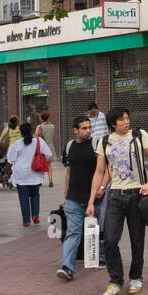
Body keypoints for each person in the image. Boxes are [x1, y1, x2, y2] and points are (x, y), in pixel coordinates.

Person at [87, 108, 148, 295]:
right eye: (121, 119)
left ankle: (136, 277)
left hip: (137, 194)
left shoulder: (139, 135)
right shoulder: (104, 142)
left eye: (127, 118)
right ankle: (116, 281)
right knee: (110, 239)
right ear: (113, 124)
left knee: (137, 240)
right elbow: (99, 171)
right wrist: (92, 200)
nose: (126, 122)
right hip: (115, 196)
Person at [56, 115, 97, 281]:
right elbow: (68, 174)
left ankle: (101, 258)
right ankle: (67, 267)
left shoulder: (96, 145)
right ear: (75, 130)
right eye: (84, 128)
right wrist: (64, 196)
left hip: (95, 199)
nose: (88, 131)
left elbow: (105, 170)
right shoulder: (69, 146)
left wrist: (100, 190)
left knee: (103, 231)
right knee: (73, 233)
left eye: (89, 128)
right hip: (73, 198)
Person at [6, 121, 51, 227]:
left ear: (21, 133)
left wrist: (6, 173)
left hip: (21, 174)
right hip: (35, 173)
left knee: (24, 198)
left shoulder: (16, 144)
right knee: (35, 195)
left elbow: (10, 159)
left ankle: (26, 220)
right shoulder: (39, 141)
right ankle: (35, 215)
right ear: (31, 131)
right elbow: (49, 155)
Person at [35, 110, 56, 189]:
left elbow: (36, 136)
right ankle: (50, 180)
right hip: (50, 146)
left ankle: (39, 181)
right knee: (49, 164)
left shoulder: (39, 126)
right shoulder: (52, 126)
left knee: (40, 164)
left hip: (42, 147)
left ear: (41, 118)